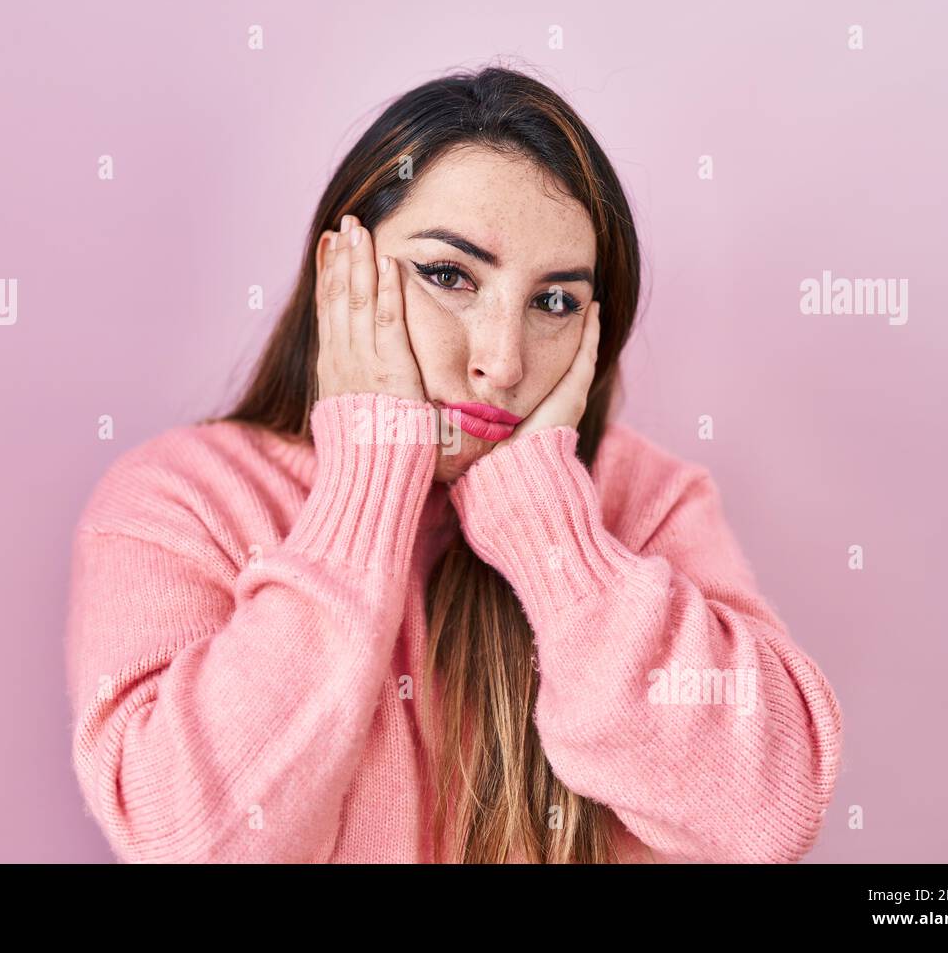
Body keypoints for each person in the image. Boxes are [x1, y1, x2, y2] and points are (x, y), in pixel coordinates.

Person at [64, 65, 844, 864]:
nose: (502, 363)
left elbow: (763, 818)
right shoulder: (181, 503)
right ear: (344, 270)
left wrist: (547, 526)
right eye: (448, 276)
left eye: (554, 301)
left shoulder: (645, 499)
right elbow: (189, 841)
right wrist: (366, 484)